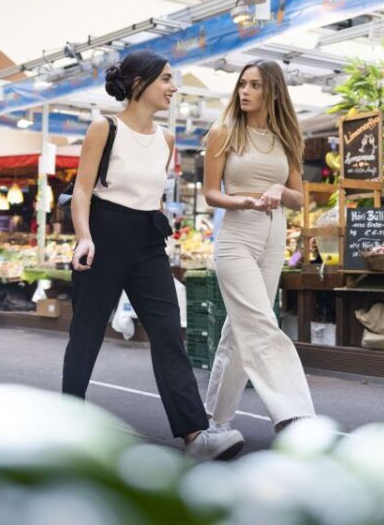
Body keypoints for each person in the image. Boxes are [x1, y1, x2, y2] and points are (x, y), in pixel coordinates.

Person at [62, 49, 244, 461]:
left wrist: (164, 235)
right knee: (86, 333)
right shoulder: (102, 128)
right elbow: (84, 191)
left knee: (167, 333)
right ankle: (66, 423)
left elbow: (154, 197)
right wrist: (84, 238)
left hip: (147, 241)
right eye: (165, 79)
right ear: (139, 83)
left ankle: (195, 435)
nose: (173, 88)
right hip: (103, 234)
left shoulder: (166, 138)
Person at [203, 59, 316, 432]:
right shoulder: (224, 132)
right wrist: (246, 200)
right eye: (242, 84)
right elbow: (211, 194)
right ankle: (295, 413)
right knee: (261, 323)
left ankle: (215, 424)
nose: (245, 91)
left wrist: (279, 190)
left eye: (254, 85)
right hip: (237, 236)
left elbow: (299, 199)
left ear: (272, 91)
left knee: (239, 333)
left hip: (274, 238)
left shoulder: (286, 138)